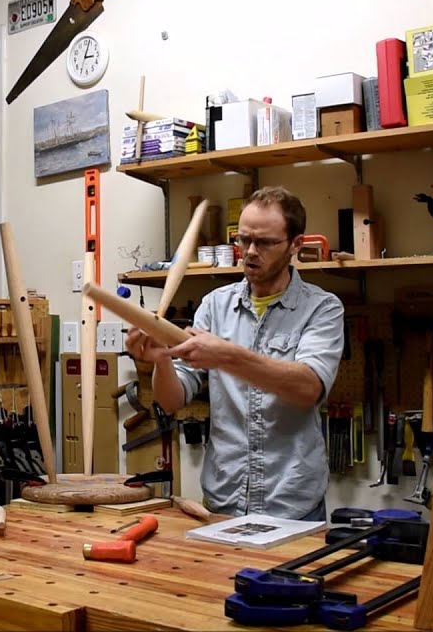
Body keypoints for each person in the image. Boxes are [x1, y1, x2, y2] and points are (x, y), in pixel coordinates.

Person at [125, 186, 344, 521]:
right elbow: (171, 401)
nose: (250, 252)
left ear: (295, 245)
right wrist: (161, 359)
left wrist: (226, 355)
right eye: (243, 240)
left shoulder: (322, 309)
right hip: (224, 500)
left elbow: (308, 388)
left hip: (291, 504)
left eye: (266, 242)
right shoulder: (215, 305)